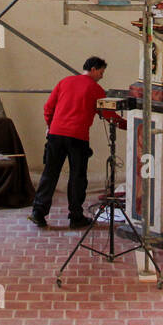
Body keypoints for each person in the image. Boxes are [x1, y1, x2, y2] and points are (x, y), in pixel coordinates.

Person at [28, 57, 108, 229]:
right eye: (101, 72)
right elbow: (108, 113)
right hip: (78, 137)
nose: (102, 76)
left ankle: (38, 212)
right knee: (77, 177)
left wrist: (50, 126)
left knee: (49, 174)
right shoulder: (96, 89)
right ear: (93, 69)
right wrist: (127, 125)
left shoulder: (64, 82)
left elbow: (48, 107)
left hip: (56, 134)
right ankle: (76, 216)